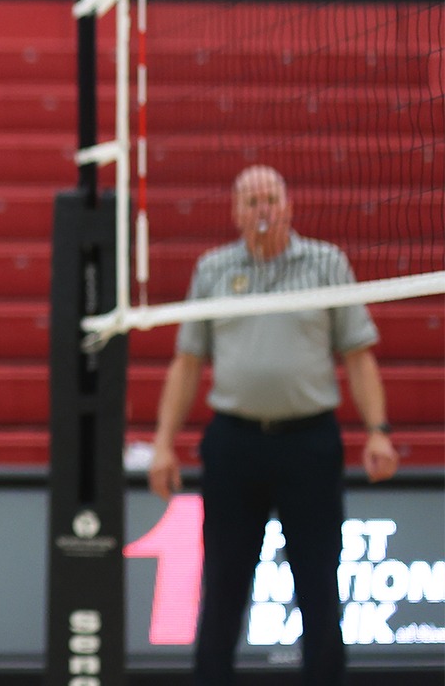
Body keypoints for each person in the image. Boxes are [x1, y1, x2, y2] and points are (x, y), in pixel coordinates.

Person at [148, 164, 398, 686]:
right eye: (252, 201)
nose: (263, 210)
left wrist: (378, 429)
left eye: (270, 200)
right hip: (234, 444)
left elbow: (358, 355)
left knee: (318, 587)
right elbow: (188, 362)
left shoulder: (326, 262)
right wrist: (163, 443)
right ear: (236, 212)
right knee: (222, 589)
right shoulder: (214, 269)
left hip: (309, 444)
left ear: (289, 205)